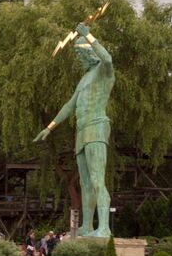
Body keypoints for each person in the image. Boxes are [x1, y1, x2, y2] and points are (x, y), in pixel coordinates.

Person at [33, 20, 116, 237]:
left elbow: (108, 58)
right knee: (86, 183)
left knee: (97, 180)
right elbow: (70, 105)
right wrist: (50, 127)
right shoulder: (84, 79)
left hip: (96, 128)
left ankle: (104, 228)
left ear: (90, 53)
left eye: (81, 55)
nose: (79, 60)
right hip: (82, 131)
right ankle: (87, 226)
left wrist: (88, 35)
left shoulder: (104, 71)